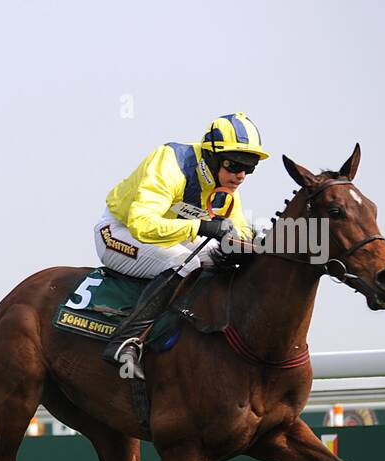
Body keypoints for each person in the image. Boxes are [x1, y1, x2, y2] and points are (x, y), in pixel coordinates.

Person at [95, 112, 267, 375]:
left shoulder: (227, 186)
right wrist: (200, 226)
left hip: (171, 236)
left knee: (228, 259)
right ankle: (126, 341)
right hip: (119, 231)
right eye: (234, 164)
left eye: (250, 167)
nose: (241, 175)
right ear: (211, 156)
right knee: (183, 262)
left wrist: (259, 246)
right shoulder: (171, 164)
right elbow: (142, 224)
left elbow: (238, 232)